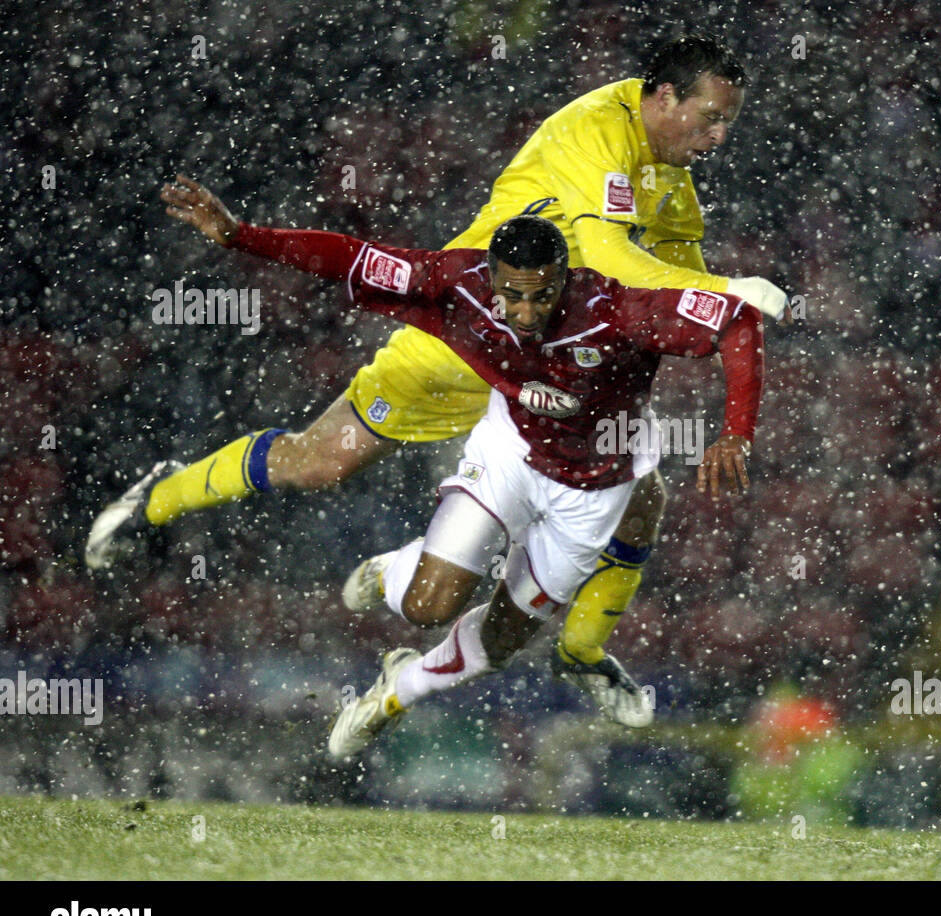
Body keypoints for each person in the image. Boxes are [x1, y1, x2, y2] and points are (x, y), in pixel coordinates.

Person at [86, 35, 786, 708]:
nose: (719, 136)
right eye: (713, 117)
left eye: (730, 123)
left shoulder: (672, 184)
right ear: (663, 96)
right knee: (322, 460)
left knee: (639, 490)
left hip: (552, 367)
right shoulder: (600, 128)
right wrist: (732, 288)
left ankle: (581, 651)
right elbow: (606, 255)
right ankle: (160, 497)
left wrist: (721, 310)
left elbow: (677, 287)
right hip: (466, 334)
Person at [202, 208, 762, 754]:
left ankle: (398, 689)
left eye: (541, 295)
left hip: (593, 490)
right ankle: (392, 568)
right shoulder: (456, 283)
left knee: (499, 645)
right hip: (508, 458)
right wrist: (240, 236)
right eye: (511, 294)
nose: (524, 311)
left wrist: (735, 432)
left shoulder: (616, 310)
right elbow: (353, 258)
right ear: (490, 276)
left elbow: (738, 320)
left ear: (564, 280)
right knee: (427, 606)